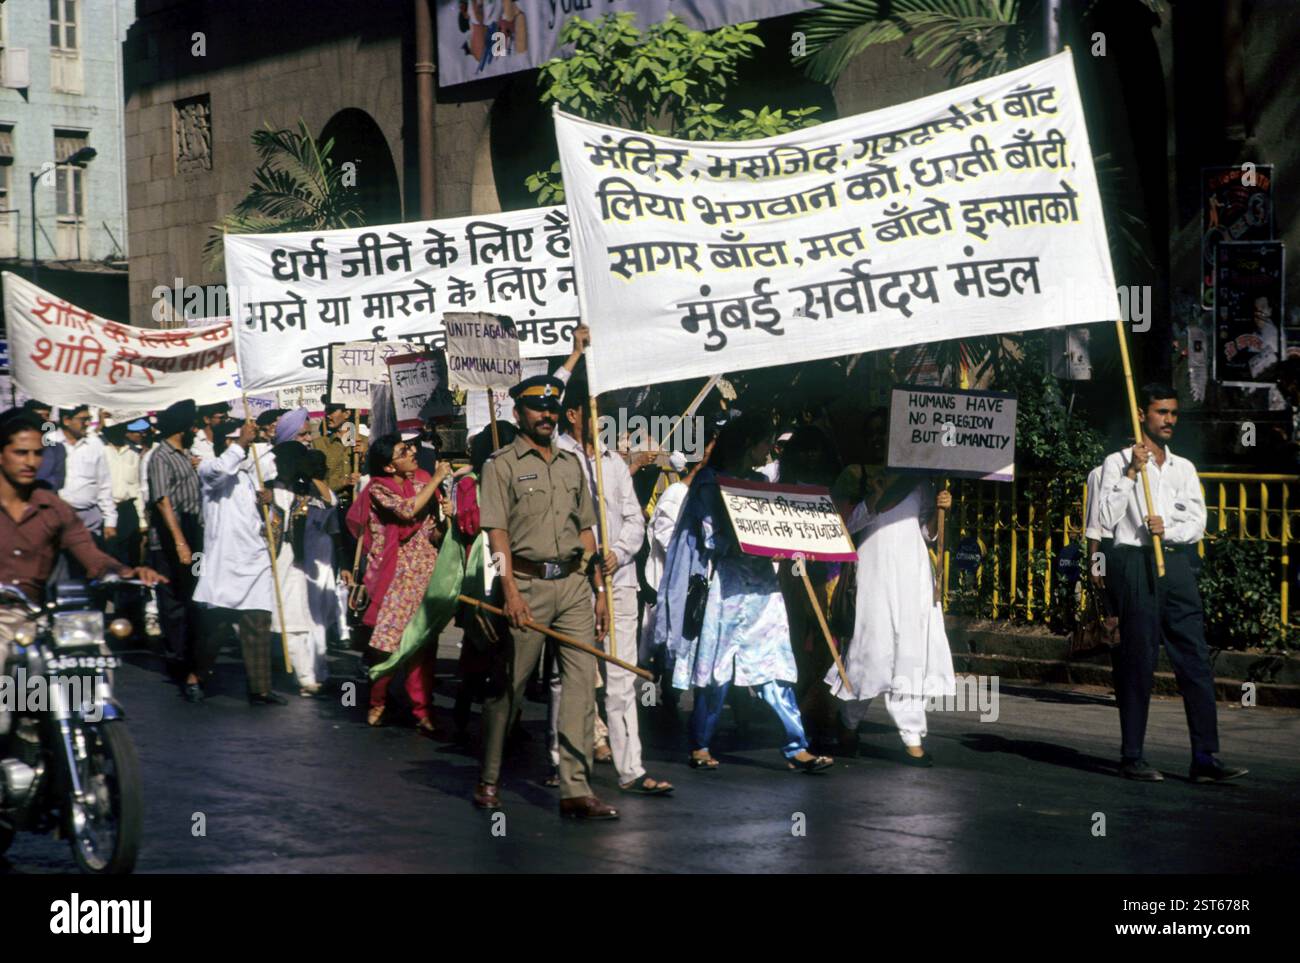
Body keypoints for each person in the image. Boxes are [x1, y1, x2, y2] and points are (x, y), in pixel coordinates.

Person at [654, 410, 834, 774]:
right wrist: (750, 545)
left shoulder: (757, 482)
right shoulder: (709, 482)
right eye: (765, 441)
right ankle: (701, 744)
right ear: (748, 443)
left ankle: (796, 746)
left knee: (775, 662)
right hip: (725, 588)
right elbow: (709, 538)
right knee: (716, 667)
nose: (770, 448)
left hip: (761, 588)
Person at [475, 374, 617, 819]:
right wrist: (510, 591)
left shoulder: (573, 464)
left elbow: (586, 530)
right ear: (518, 413)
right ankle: (490, 777)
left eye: (552, 408)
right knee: (509, 688)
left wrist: (598, 592)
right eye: (537, 407)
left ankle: (576, 788)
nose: (547, 415)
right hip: (526, 583)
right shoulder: (500, 465)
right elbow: (495, 534)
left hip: (574, 585)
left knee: (580, 689)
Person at [1097, 383, 1248, 783]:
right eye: (1161, 412)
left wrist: (1170, 530)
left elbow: (1198, 521)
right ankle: (1133, 756)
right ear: (1142, 415)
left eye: (1173, 413)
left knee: (1195, 660)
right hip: (1135, 565)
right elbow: (1106, 520)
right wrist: (1131, 472)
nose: (1169, 420)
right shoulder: (1116, 463)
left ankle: (1205, 757)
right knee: (1138, 661)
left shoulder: (1183, 468)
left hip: (1177, 567)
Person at [0, 409, 164, 735]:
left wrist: (127, 571)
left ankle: (90, 742)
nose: (31, 461)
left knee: (91, 657)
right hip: (2, 620)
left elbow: (89, 552)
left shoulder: (52, 506)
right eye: (21, 452)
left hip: (39, 616)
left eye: (37, 453)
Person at [553, 375, 673, 797]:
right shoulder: (555, 457)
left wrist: (618, 553)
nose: (602, 419)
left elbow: (635, 519)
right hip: (571, 584)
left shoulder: (614, 464)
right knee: (569, 676)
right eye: (595, 410)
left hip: (618, 581)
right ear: (573, 414)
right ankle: (563, 761)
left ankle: (631, 768)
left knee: (622, 676)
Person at [825, 466, 956, 765]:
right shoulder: (858, 476)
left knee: (910, 650)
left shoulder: (921, 481)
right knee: (871, 647)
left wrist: (940, 509)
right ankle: (849, 720)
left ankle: (912, 734)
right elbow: (846, 526)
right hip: (874, 567)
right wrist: (874, 496)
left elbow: (928, 533)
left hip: (912, 572)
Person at [358, 433, 451, 732]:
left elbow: (432, 527)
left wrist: (446, 519)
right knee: (388, 642)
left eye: (409, 447)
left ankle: (422, 708)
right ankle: (377, 701)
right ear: (388, 467)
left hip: (425, 571)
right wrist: (437, 480)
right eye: (403, 450)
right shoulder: (378, 488)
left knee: (422, 643)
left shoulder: (424, 478)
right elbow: (407, 510)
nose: (412, 451)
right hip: (394, 575)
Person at [192, 417, 286, 705]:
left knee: (258, 621)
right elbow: (219, 471)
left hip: (253, 557)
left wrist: (268, 503)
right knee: (216, 628)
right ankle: (196, 676)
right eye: (236, 441)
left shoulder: (250, 476)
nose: (244, 448)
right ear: (226, 444)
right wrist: (242, 443)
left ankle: (260, 688)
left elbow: (268, 521)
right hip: (223, 561)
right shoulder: (209, 468)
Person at [145, 399, 206, 699]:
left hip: (194, 535)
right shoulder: (161, 457)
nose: (196, 429)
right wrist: (180, 541)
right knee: (173, 606)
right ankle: (180, 666)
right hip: (171, 541)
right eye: (192, 425)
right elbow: (162, 500)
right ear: (183, 428)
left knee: (193, 601)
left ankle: (193, 661)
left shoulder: (185, 455)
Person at [268, 441, 338, 696]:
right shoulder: (268, 489)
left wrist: (312, 476)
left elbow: (331, 502)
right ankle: (305, 676)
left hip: (312, 563)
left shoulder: (308, 489)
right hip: (285, 561)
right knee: (292, 619)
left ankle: (319, 671)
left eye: (287, 462)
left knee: (315, 620)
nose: (281, 466)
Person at [53, 404, 117, 541]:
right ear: (66, 420)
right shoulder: (49, 442)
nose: (88, 424)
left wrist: (110, 520)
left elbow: (104, 483)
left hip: (90, 519)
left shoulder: (95, 444)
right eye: (83, 420)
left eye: (89, 419)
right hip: (56, 518)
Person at [313, 403, 360, 499]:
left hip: (358, 504)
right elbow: (317, 482)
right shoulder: (319, 444)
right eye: (326, 411)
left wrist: (365, 457)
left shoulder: (363, 442)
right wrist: (344, 482)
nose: (327, 415)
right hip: (331, 504)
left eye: (331, 411)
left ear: (346, 414)